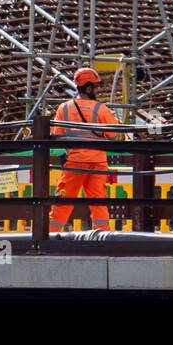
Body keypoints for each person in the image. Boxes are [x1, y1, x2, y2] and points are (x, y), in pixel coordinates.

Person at [49, 68, 119, 233]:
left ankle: (51, 235)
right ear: (88, 88)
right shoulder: (100, 109)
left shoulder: (64, 109)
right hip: (98, 164)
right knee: (98, 203)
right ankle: (102, 237)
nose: (97, 90)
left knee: (63, 202)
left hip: (74, 164)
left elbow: (56, 136)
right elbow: (113, 134)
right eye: (95, 86)